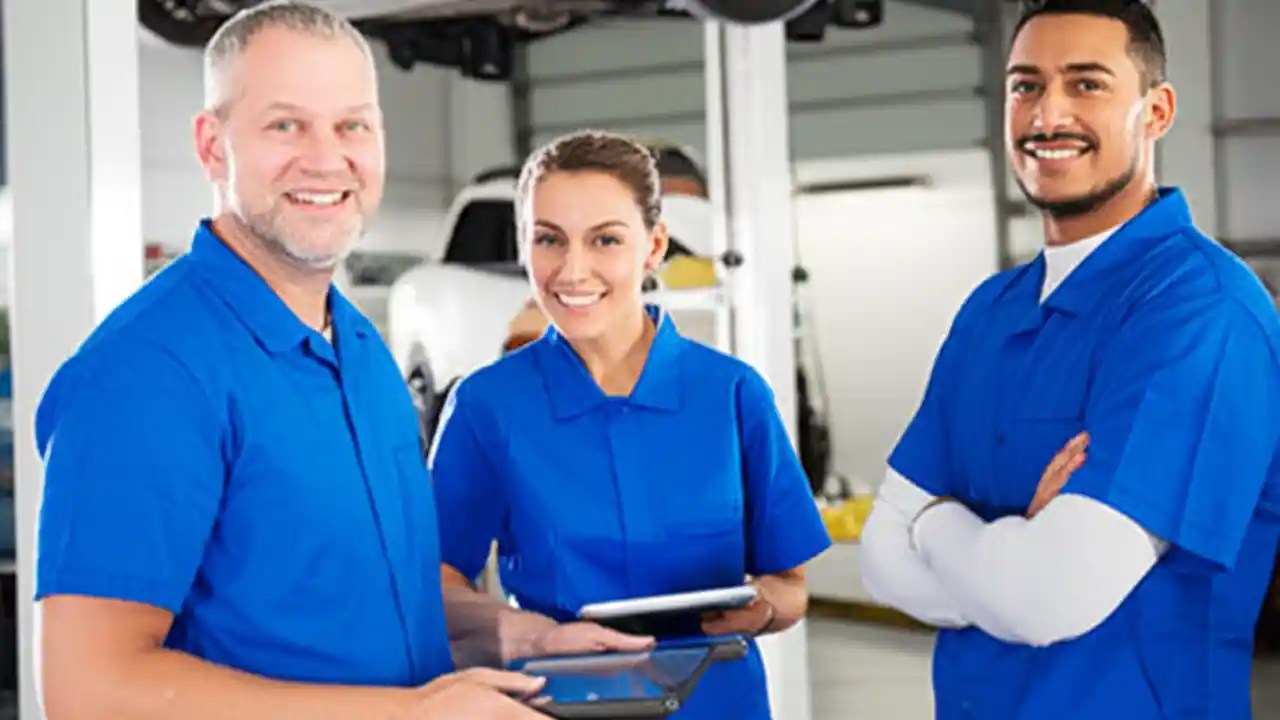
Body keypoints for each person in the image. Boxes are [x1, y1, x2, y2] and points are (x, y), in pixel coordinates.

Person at [32, 3, 640, 718]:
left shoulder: (355, 347)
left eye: (352, 125)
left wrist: (510, 635)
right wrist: (410, 715)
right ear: (211, 145)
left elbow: (362, 604)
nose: (327, 158)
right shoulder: (148, 373)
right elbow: (90, 688)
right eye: (285, 124)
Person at [860, 0, 1280, 717]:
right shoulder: (991, 311)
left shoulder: (1201, 312)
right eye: (1026, 85)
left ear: (1157, 111)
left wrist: (934, 524)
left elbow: (1047, 599)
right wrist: (1013, 545)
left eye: (1087, 84)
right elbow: (879, 561)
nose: (1047, 114)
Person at [429, 130, 833, 719]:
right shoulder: (488, 406)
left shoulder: (731, 395)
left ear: (653, 246)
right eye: (549, 240)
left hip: (716, 704)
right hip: (559, 705)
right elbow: (436, 581)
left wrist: (763, 607)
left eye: (605, 240)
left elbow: (789, 585)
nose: (573, 269)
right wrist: (525, 632)